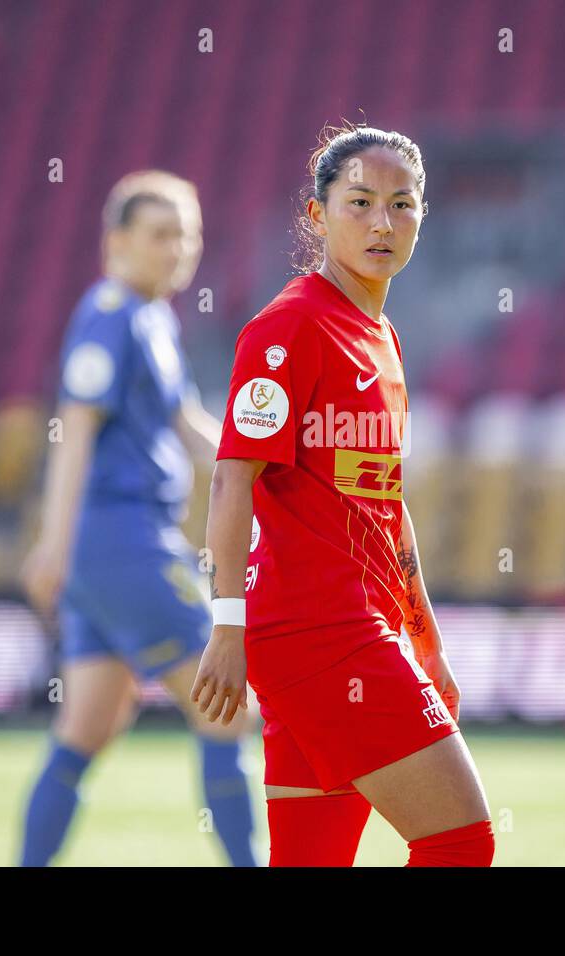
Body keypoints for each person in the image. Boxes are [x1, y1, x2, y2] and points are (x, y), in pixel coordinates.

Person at [191, 125, 493, 866]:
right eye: (359, 202)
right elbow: (233, 477)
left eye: (403, 204)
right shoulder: (287, 328)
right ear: (317, 215)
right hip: (321, 630)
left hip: (341, 630)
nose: (383, 223)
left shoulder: (381, 337)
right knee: (462, 842)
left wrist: (426, 639)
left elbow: (385, 507)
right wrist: (227, 626)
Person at [19, 171, 258, 866]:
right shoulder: (111, 314)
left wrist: (269, 473)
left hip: (109, 553)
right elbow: (74, 428)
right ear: (117, 242)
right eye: (160, 234)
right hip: (122, 543)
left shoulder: (152, 318)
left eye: (187, 234)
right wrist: (53, 545)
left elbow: (186, 423)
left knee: (86, 729)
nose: (177, 248)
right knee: (229, 707)